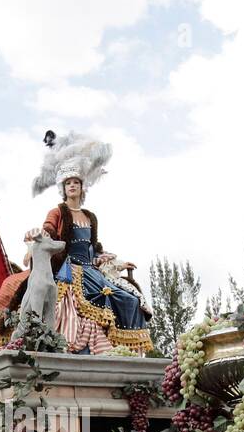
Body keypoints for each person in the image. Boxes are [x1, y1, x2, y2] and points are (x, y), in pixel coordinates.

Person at [23, 132, 152, 355]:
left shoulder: (90, 216)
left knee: (129, 299)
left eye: (76, 182)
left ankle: (125, 353)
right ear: (62, 188)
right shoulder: (58, 211)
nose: (72, 186)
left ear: (83, 187)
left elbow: (96, 247)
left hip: (92, 270)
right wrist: (38, 234)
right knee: (82, 306)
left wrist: (117, 262)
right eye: (68, 183)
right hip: (69, 270)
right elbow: (49, 231)